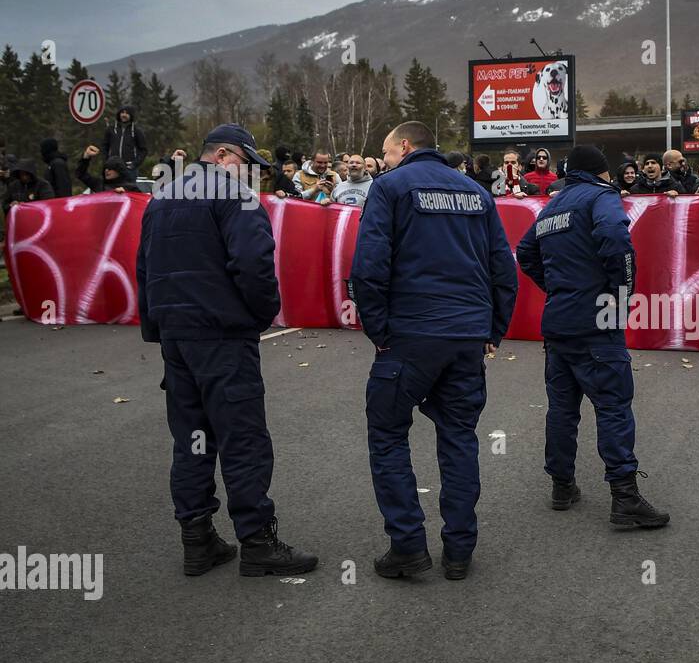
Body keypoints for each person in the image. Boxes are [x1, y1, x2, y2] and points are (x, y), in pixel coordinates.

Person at [135, 123, 316, 578]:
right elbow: (255, 265)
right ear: (223, 155)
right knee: (243, 440)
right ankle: (257, 542)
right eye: (247, 165)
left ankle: (198, 541)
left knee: (192, 440)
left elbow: (145, 266)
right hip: (222, 335)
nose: (250, 176)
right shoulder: (234, 197)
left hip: (177, 338)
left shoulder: (161, 198)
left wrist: (157, 329)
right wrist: (259, 317)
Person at [350, 122, 517, 581]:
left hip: (409, 335)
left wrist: (379, 332)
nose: (382, 162)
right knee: (459, 435)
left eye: (384, 152)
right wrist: (492, 331)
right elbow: (503, 266)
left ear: (405, 146)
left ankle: (406, 545)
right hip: (466, 336)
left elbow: (367, 268)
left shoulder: (389, 187)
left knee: (387, 434)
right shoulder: (475, 192)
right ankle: (459, 550)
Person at [514, 145, 670, 529]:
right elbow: (616, 240)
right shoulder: (602, 197)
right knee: (613, 406)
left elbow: (524, 250)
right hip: (597, 322)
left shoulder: (552, 206)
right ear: (602, 172)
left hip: (559, 321)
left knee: (562, 409)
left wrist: (556, 287)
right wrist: (621, 294)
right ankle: (625, 497)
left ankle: (562, 485)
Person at [102, 105, 147, 174]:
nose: (124, 115)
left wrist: (135, 163)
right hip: (113, 167)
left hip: (129, 168)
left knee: (128, 185)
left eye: (127, 113)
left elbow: (143, 150)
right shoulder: (111, 129)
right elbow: (104, 146)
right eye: (122, 112)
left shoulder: (137, 131)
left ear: (131, 115)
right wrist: (106, 161)